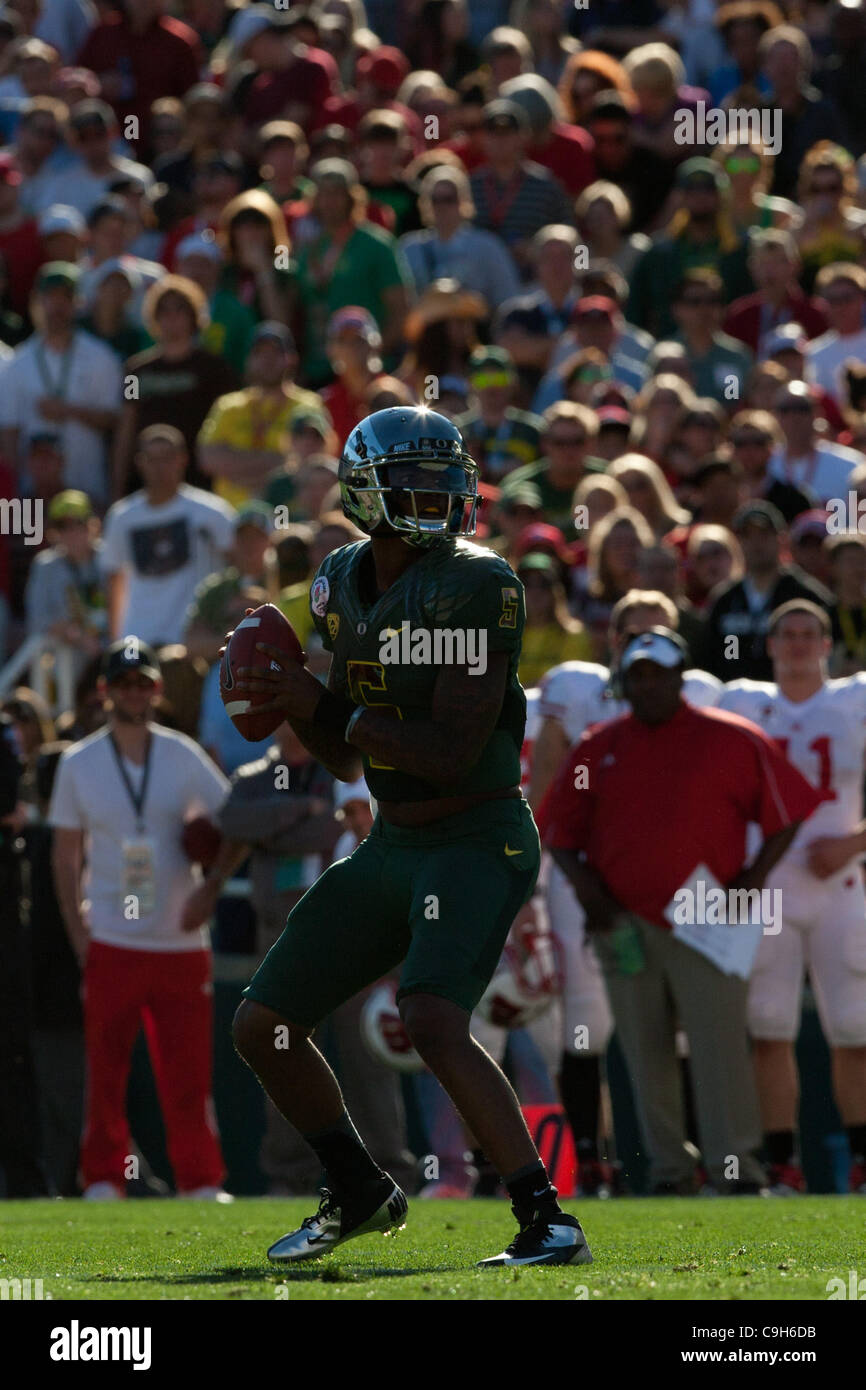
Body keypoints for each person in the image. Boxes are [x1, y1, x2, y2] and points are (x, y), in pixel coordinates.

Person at [208, 404, 592, 1267]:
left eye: (446, 477)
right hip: (394, 843)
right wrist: (291, 703)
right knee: (263, 1023)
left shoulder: (481, 583)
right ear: (363, 490)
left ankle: (546, 1220)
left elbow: (452, 751)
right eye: (415, 478)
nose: (437, 493)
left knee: (429, 1014)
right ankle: (357, 1187)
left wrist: (314, 700)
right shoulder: (340, 580)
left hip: (477, 836)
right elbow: (345, 756)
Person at [538, 625, 822, 1194]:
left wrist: (750, 880)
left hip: (705, 913)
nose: (646, 686)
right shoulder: (597, 745)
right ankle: (670, 1171)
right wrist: (590, 893)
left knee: (719, 1049)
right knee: (646, 1053)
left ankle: (736, 1170)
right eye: (636, 676)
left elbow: (788, 811)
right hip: (622, 918)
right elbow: (558, 829)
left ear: (679, 678)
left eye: (657, 675)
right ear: (623, 682)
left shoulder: (731, 738)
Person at [48, 638, 230, 1200]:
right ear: (104, 691)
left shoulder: (182, 754)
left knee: (189, 1073)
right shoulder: (78, 763)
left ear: (157, 689)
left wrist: (212, 890)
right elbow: (65, 855)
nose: (134, 692)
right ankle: (104, 1176)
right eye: (123, 683)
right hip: (112, 936)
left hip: (180, 938)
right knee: (105, 1072)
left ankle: (200, 1180)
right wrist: (79, 933)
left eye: (143, 683)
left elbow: (234, 822)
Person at [719, 600, 866, 1195]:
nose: (800, 643)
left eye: (810, 634)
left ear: (827, 645)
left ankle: (862, 1159)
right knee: (769, 1024)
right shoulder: (741, 702)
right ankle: (781, 1162)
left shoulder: (854, 700)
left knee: (855, 1026)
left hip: (841, 881)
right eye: (789, 634)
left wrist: (855, 842)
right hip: (768, 886)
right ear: (772, 645)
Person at [100, 424, 236, 647]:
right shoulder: (121, 517)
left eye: (167, 458)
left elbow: (238, 567)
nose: (159, 467)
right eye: (152, 459)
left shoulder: (213, 512)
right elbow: (115, 581)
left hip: (192, 642)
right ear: (140, 462)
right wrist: (116, 641)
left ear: (183, 459)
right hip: (138, 639)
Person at [0, 261, 122, 506]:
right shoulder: (16, 364)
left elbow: (115, 421)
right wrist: (13, 501)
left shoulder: (103, 357)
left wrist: (69, 411)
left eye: (66, 297)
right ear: (36, 302)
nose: (57, 306)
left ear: (78, 303)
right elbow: (9, 437)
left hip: (89, 490)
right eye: (50, 297)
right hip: (32, 497)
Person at [111, 274, 239, 497]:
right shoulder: (135, 371)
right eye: (164, 311)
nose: (172, 318)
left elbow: (228, 428)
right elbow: (127, 427)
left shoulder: (214, 368)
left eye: (180, 309)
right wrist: (117, 487)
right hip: (144, 485)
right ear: (154, 317)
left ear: (194, 316)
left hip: (200, 485)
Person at [700, 500, 834, 681]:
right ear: (738, 542)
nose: (756, 543)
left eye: (764, 534)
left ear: (781, 539)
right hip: (734, 695)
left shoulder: (806, 595)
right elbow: (713, 657)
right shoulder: (724, 600)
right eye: (748, 536)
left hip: (792, 694)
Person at [197, 321, 321, 510]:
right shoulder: (228, 406)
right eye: (260, 353)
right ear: (249, 359)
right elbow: (208, 459)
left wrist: (236, 466)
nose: (267, 360)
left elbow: (312, 460)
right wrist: (278, 463)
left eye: (275, 353)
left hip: (286, 515)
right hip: (232, 516)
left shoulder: (308, 405)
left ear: (292, 358)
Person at [399, 165, 521, 310]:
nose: (441, 206)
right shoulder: (409, 248)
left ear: (463, 201)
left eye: (449, 199)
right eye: (435, 200)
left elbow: (508, 298)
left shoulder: (487, 247)